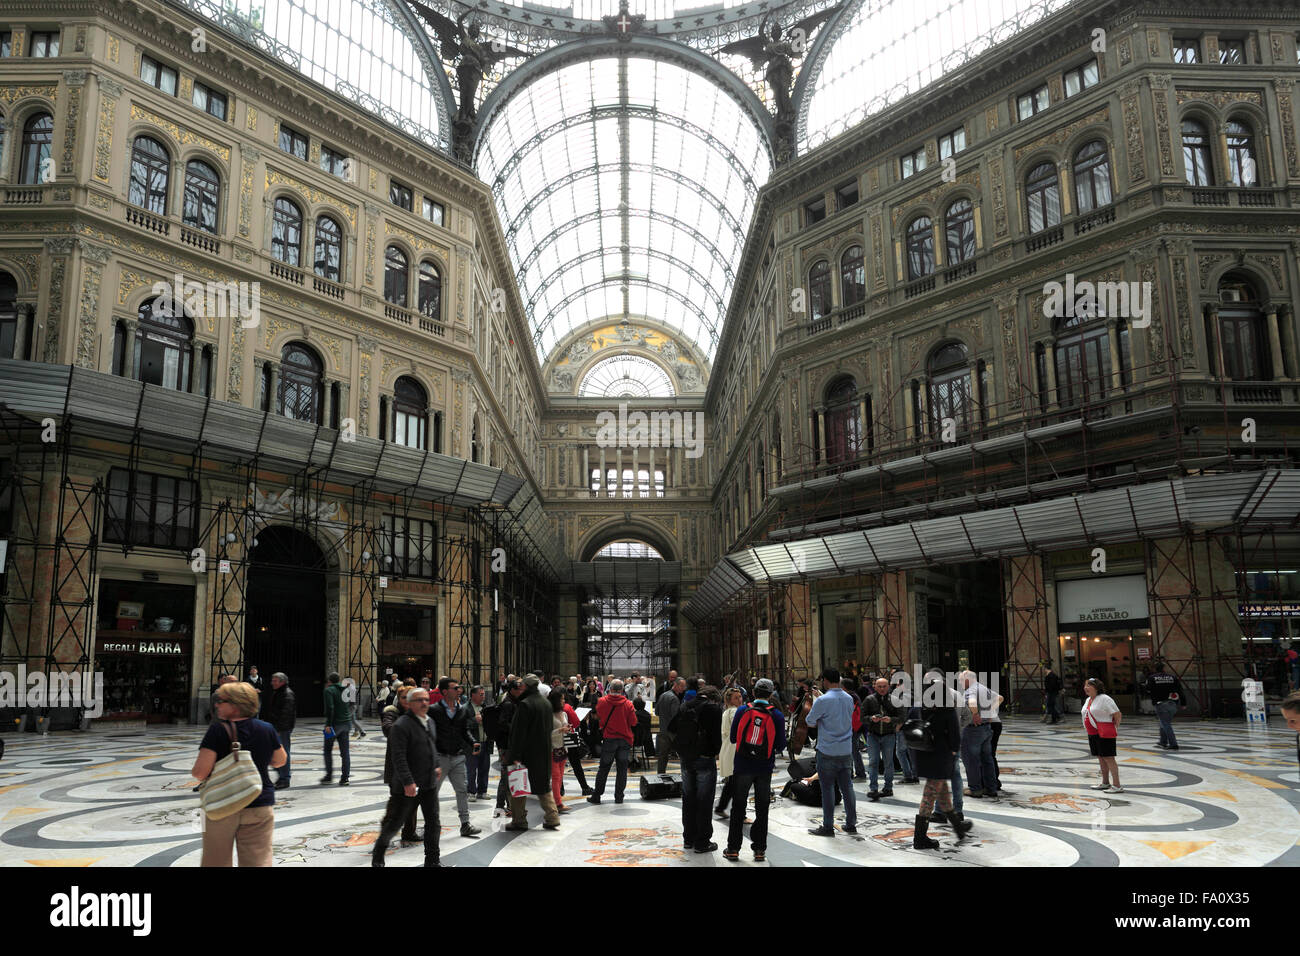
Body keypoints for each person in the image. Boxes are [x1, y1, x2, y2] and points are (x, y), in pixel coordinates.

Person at [192, 681, 286, 867]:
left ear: (236, 704)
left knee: (215, 861)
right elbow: (280, 760)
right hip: (259, 802)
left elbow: (200, 773)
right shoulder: (267, 728)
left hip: (221, 804)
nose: (217, 704)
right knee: (258, 860)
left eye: (221, 701)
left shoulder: (217, 730)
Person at [372, 687, 441, 867]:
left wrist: (437, 765)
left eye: (426, 699)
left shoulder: (430, 722)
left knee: (433, 823)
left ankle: (432, 861)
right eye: (419, 700)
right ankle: (378, 856)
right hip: (406, 786)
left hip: (428, 783)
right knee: (394, 823)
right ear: (409, 704)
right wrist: (408, 782)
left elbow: (432, 747)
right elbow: (399, 757)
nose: (424, 703)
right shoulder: (401, 725)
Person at [722, 679, 787, 862]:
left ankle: (733, 849)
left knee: (738, 807)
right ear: (771, 694)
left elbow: (734, 738)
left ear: (753, 691)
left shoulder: (743, 710)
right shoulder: (777, 715)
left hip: (742, 766)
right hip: (764, 767)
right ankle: (759, 850)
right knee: (762, 808)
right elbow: (781, 745)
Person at [911, 671, 972, 850]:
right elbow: (955, 738)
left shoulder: (919, 708)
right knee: (929, 797)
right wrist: (953, 751)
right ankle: (919, 838)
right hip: (940, 758)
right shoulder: (947, 712)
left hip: (922, 755)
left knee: (943, 794)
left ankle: (958, 827)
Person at [804, 668, 857, 836]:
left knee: (827, 788)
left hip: (827, 749)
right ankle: (851, 823)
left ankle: (827, 826)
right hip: (845, 749)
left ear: (825, 681)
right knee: (847, 787)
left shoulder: (822, 700)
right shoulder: (849, 698)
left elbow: (810, 721)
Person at [673, 684, 723, 854]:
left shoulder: (685, 705)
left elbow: (671, 728)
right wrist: (714, 751)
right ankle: (702, 842)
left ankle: (688, 839)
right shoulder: (714, 709)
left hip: (686, 758)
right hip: (704, 758)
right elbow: (717, 737)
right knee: (704, 800)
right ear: (714, 698)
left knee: (688, 798)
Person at [507, 675, 561, 830]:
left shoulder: (525, 704)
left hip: (526, 754)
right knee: (543, 785)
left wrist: (515, 756)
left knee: (518, 786)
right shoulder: (546, 703)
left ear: (526, 686)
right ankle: (552, 817)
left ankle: (519, 820)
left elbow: (518, 733)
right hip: (543, 752)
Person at [429, 676, 481, 837]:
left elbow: (463, 730)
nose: (459, 690)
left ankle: (465, 824)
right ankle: (432, 823)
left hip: (458, 757)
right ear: (445, 692)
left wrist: (472, 742)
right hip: (440, 757)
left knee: (462, 790)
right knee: (432, 792)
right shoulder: (434, 710)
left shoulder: (461, 710)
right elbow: (429, 734)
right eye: (455, 688)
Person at [588, 679, 637, 805]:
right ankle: (619, 797)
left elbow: (597, 717)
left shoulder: (602, 701)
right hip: (625, 739)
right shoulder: (628, 704)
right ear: (622, 690)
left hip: (609, 739)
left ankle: (597, 796)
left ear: (610, 689)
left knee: (604, 768)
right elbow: (633, 722)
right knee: (622, 769)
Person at [958, 670, 998, 800]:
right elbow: (999, 698)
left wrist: (975, 714)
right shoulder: (983, 688)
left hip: (973, 731)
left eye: (961, 680)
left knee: (971, 760)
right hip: (986, 729)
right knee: (987, 759)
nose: (960, 682)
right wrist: (990, 714)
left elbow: (972, 703)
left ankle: (975, 789)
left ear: (967, 679)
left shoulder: (971, 690)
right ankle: (991, 788)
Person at [862, 675, 902, 800]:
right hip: (873, 735)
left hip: (888, 735)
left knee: (888, 762)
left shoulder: (895, 700)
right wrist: (871, 719)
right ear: (875, 687)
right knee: (873, 762)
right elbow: (862, 717)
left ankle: (888, 787)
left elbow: (902, 717)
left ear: (888, 686)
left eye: (884, 686)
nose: (882, 689)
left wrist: (891, 720)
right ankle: (873, 788)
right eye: (879, 686)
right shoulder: (869, 699)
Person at [1082, 677, 1123, 792]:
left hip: (1104, 733)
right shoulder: (1088, 700)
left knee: (1109, 758)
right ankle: (1105, 782)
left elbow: (1117, 714)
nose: (1085, 688)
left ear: (1096, 687)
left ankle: (1117, 785)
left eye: (1089, 685)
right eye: (1085, 685)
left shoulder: (1105, 699)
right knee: (1101, 757)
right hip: (1093, 733)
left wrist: (1114, 727)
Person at [494, 678, 524, 816]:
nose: (520, 691)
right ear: (512, 690)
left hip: (510, 744)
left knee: (509, 775)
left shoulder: (514, 701)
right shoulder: (507, 704)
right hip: (506, 746)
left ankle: (509, 806)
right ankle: (500, 807)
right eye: (518, 689)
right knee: (505, 777)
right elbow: (502, 724)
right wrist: (516, 728)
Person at [548, 686, 580, 812]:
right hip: (552, 749)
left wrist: (568, 728)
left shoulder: (564, 713)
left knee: (560, 776)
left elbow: (566, 727)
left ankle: (557, 800)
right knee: (555, 776)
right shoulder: (548, 715)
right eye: (561, 699)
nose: (563, 701)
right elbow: (546, 734)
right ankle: (558, 803)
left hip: (563, 748)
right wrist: (560, 730)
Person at [715, 688, 744, 818]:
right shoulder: (734, 711)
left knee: (732, 783)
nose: (740, 699)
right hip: (734, 750)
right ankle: (739, 814)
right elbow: (738, 729)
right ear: (729, 700)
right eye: (736, 698)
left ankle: (721, 807)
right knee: (738, 784)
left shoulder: (726, 711)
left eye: (740, 697)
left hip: (728, 749)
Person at [265, 672, 295, 790]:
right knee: (273, 753)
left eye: (275, 681)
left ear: (282, 682)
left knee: (283, 753)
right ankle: (281, 775)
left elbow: (286, 714)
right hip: (275, 727)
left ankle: (285, 778)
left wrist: (279, 729)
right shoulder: (278, 693)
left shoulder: (287, 694)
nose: (272, 683)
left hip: (282, 729)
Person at [321, 672, 351, 786]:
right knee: (345, 752)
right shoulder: (345, 690)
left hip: (334, 725)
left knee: (327, 750)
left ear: (329, 680)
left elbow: (330, 708)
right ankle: (345, 778)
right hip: (346, 724)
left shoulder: (329, 690)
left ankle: (329, 776)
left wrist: (328, 724)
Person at [1145, 661, 1182, 751]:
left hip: (1160, 703)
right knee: (1164, 722)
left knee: (1165, 723)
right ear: (1164, 668)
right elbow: (1180, 690)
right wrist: (1183, 703)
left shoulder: (1152, 678)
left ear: (1155, 669)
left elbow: (1148, 689)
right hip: (1172, 703)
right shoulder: (1172, 677)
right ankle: (1163, 741)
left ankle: (1173, 744)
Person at [465, 685, 493, 800]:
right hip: (473, 743)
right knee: (471, 769)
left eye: (484, 694)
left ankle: (482, 791)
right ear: (473, 695)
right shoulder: (465, 708)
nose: (483, 696)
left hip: (485, 742)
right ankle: (471, 791)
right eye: (481, 694)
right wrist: (474, 721)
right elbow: (462, 725)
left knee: (484, 768)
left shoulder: (486, 707)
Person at [655, 677, 686, 774]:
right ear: (675, 685)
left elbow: (657, 712)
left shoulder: (663, 695)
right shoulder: (674, 698)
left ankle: (660, 776)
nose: (683, 688)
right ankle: (685, 776)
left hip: (663, 729)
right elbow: (676, 717)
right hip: (673, 732)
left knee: (662, 756)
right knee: (682, 754)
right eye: (681, 686)